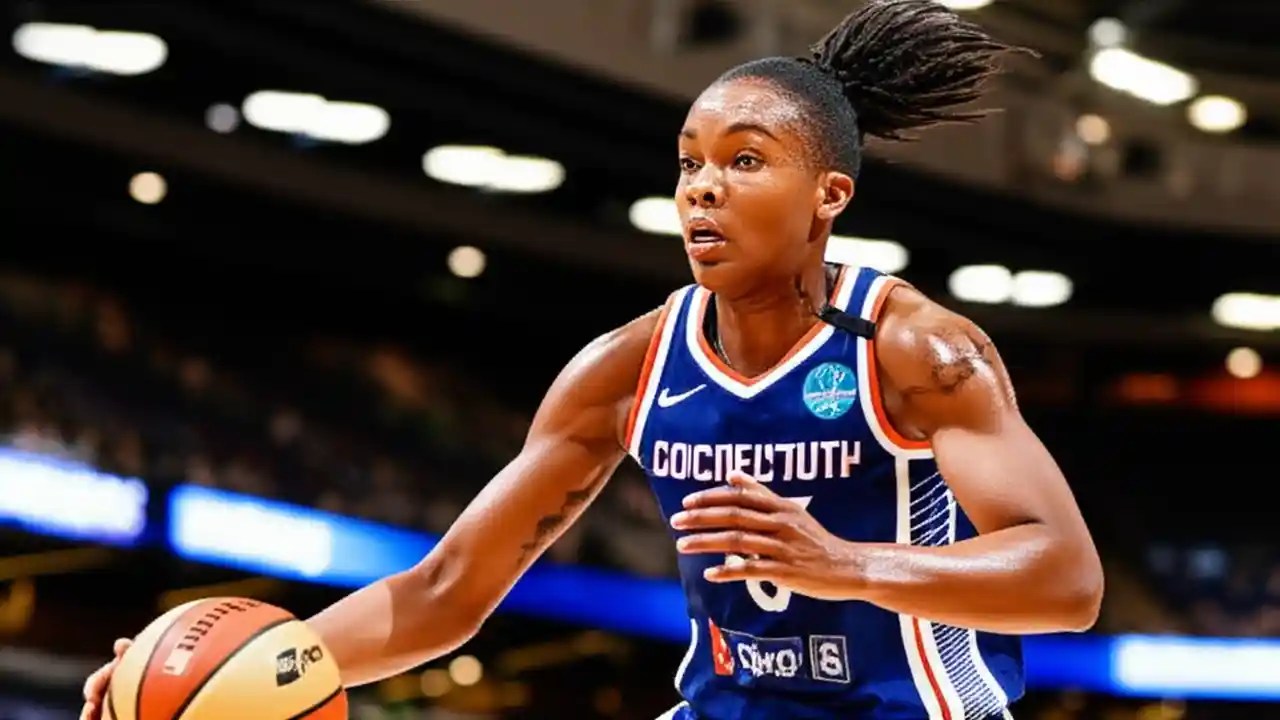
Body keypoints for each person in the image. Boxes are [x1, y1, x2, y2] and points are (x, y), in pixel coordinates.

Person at [81, 1, 1103, 718]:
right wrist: (237, 667)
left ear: (828, 197)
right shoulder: (629, 367)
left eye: (743, 161)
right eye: (688, 162)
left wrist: (848, 569)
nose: (701, 188)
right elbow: (444, 592)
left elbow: (1064, 580)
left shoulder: (914, 348)